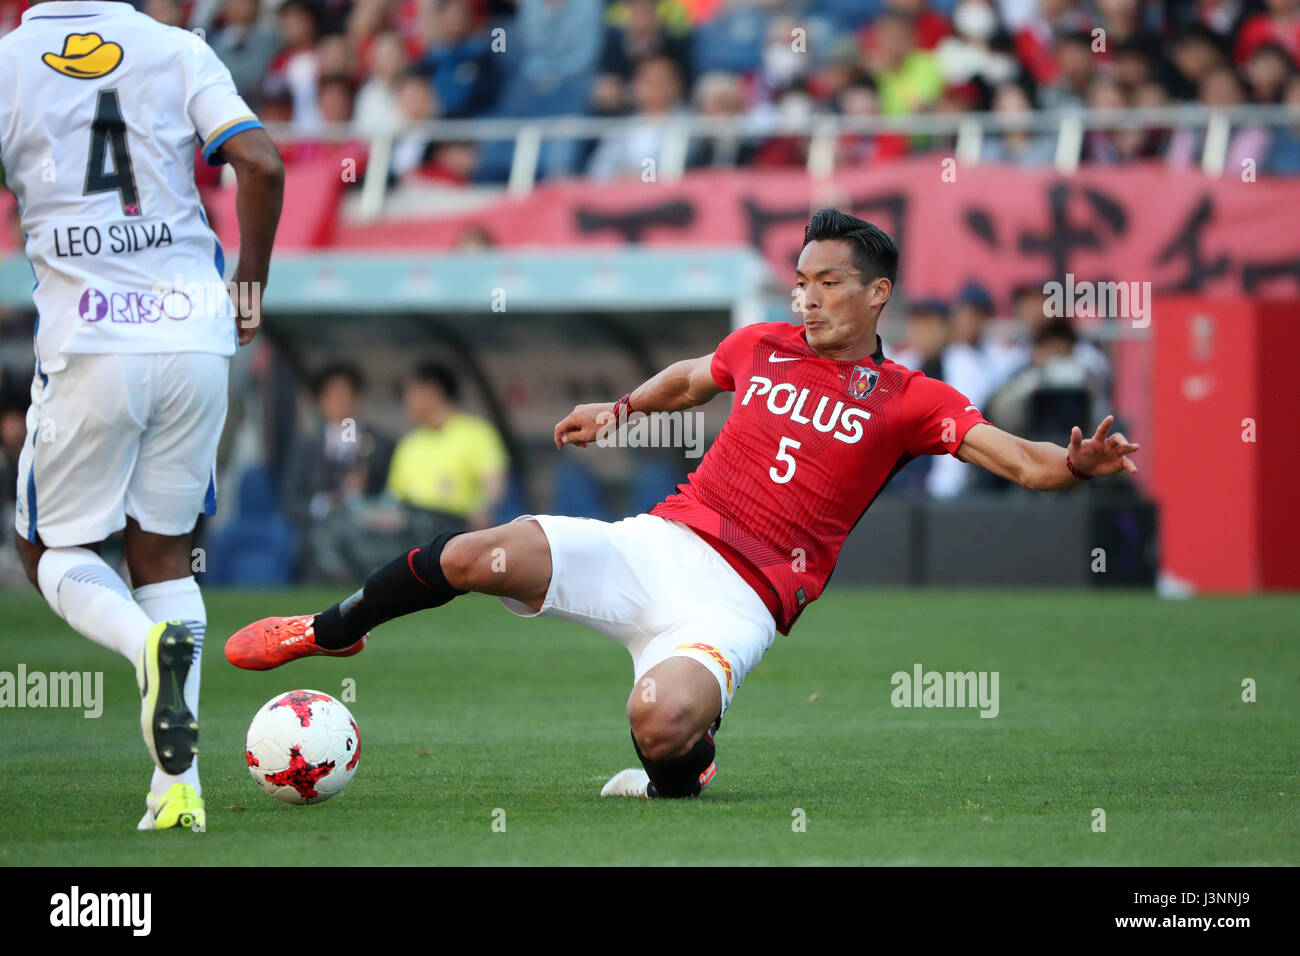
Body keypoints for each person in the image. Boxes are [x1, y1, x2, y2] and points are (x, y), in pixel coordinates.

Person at [226, 209, 1138, 800]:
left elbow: (1021, 464)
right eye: (801, 280)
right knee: (475, 554)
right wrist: (618, 408)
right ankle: (330, 627)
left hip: (740, 599)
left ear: (876, 294)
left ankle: (683, 770)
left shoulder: (911, 397)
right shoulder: (764, 343)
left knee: (658, 721)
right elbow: (692, 379)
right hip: (656, 543)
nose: (807, 296)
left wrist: (1077, 463)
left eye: (828, 283)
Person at [4, 0, 284, 830]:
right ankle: (178, 790)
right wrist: (250, 285)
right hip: (196, 333)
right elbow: (262, 164)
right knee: (162, 553)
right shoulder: (175, 46)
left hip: (90, 337)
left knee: (47, 544)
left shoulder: (12, 61)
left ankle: (140, 648)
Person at [386, 363, 507, 534]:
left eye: (410, 393)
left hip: (457, 532)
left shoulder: (477, 434)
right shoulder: (408, 444)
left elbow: (494, 486)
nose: (406, 401)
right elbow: (394, 499)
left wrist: (483, 510)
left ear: (432, 392)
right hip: (412, 536)